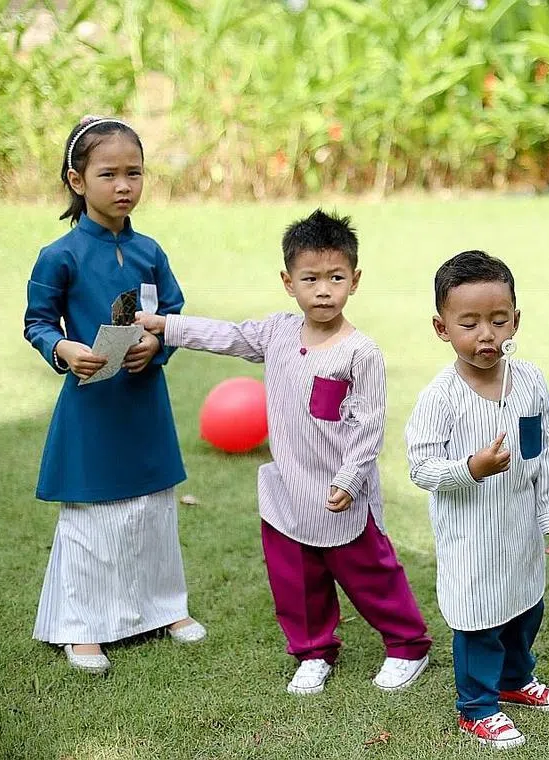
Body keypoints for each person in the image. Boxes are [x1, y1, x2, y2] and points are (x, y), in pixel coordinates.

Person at [137, 209, 431, 693]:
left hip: (342, 492)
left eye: (335, 278)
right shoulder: (276, 333)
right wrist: (164, 325)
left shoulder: (361, 353)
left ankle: (407, 645)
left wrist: (348, 479)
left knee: (370, 574)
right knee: (296, 580)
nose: (322, 290)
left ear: (354, 281)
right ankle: (313, 650)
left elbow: (369, 428)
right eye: (309, 278)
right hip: (287, 488)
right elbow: (226, 335)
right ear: (288, 282)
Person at [24, 115, 205, 675]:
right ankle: (82, 627)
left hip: (144, 402)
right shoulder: (60, 255)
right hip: (92, 404)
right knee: (93, 516)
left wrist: (158, 347)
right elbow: (37, 323)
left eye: (134, 172)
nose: (124, 185)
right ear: (77, 181)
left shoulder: (151, 250)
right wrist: (63, 349)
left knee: (153, 510)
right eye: (108, 174)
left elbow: (170, 315)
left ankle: (164, 608)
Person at [405, 250, 549, 751]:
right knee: (480, 618)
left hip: (519, 527)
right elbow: (420, 467)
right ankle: (476, 707)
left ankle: (514, 680)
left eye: (499, 321)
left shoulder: (530, 382)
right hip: (472, 537)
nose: (486, 335)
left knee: (525, 608)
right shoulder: (441, 397)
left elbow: (548, 451)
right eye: (470, 323)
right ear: (442, 328)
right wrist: (470, 469)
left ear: (515, 320)